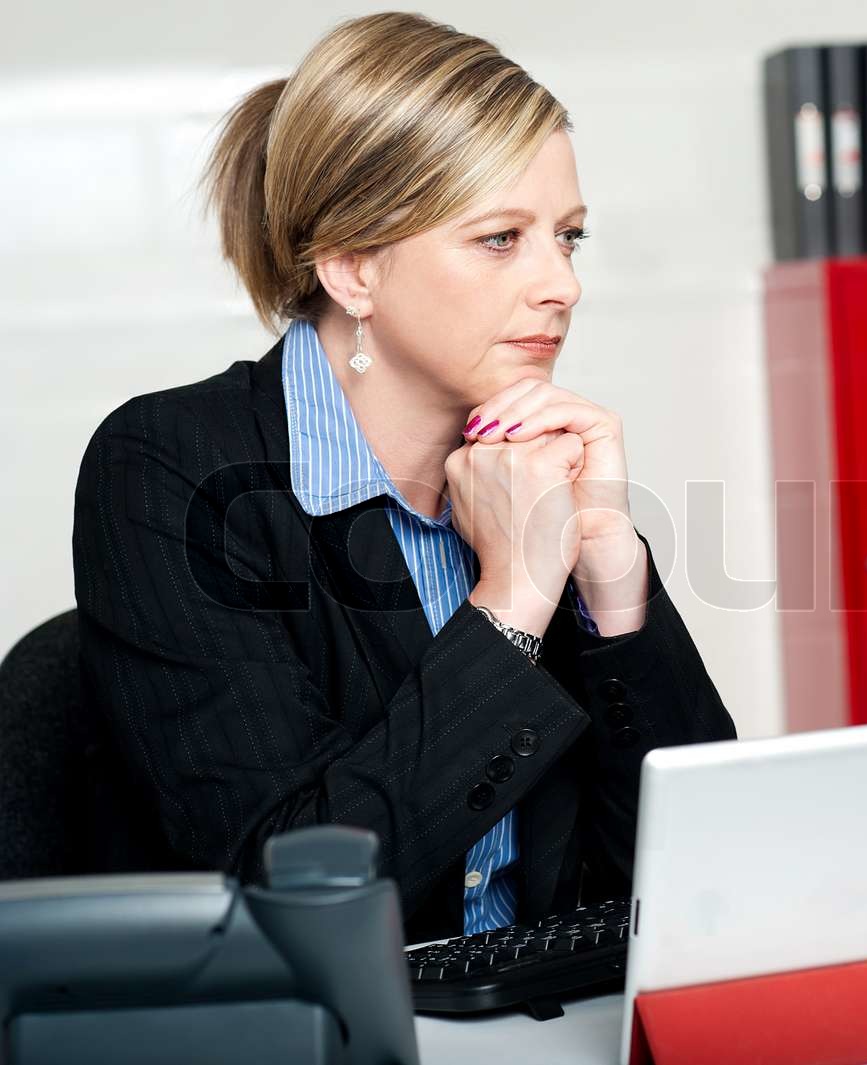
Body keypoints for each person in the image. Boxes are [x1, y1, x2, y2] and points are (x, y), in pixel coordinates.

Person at [70, 11, 735, 945]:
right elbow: (291, 891)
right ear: (351, 269)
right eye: (503, 238)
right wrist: (511, 599)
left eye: (569, 237)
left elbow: (701, 876)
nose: (563, 285)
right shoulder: (168, 470)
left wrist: (608, 577)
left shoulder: (531, 469)